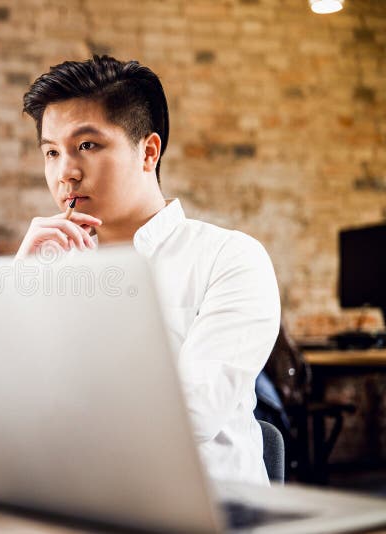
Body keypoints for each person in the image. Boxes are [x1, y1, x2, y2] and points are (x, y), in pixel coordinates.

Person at [17, 56, 280, 485]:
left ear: (148, 151)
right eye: (51, 152)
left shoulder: (230, 259)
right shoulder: (52, 266)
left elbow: (186, 415)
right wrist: (17, 288)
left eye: (87, 145)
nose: (65, 172)